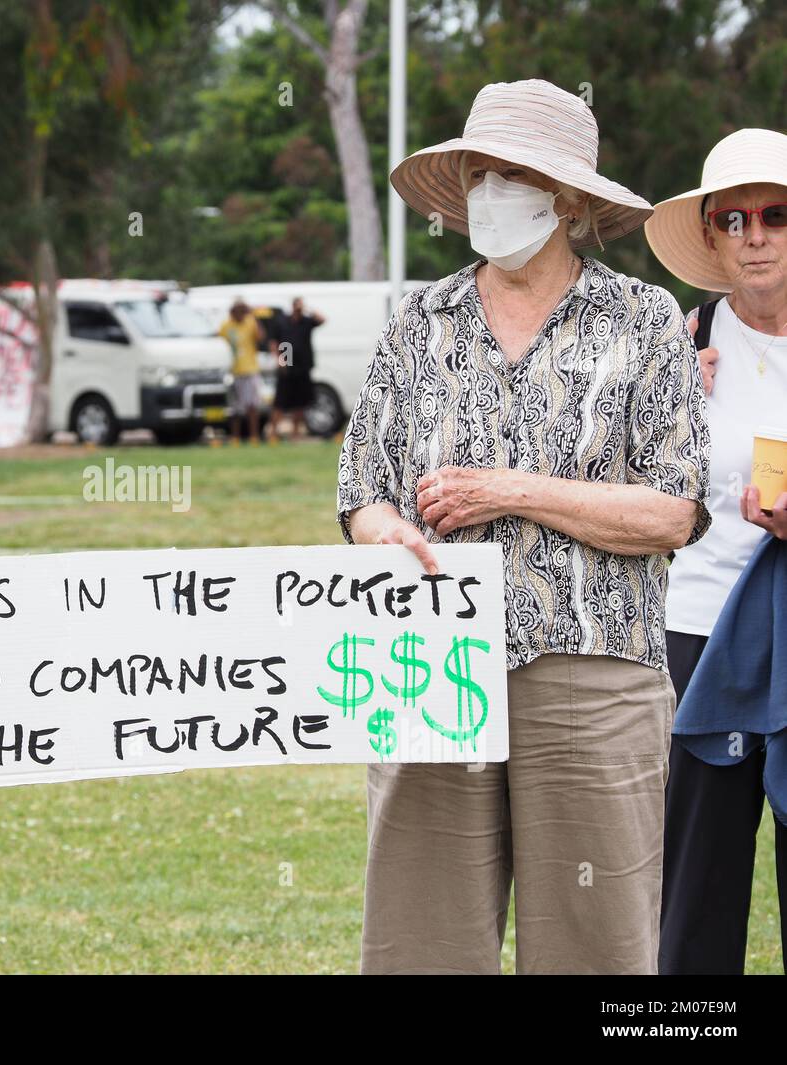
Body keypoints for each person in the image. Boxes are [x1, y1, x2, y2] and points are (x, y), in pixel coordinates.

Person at [338, 79, 711, 974]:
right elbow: (362, 486)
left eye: (514, 174)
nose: (490, 194)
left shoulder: (645, 321)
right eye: (479, 173)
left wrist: (514, 490)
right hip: (430, 669)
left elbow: (672, 510)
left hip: (593, 674)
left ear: (572, 200)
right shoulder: (418, 323)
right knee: (418, 943)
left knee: (596, 948)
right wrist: (384, 533)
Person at [644, 127, 787, 974]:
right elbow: (613, 487)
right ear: (709, 237)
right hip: (696, 634)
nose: (755, 234)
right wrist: (669, 416)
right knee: (695, 891)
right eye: (731, 218)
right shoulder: (676, 343)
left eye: (775, 214)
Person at [269, 297, 324, 441]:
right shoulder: (282, 322)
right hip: (287, 367)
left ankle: (295, 433)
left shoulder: (307, 321)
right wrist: (280, 360)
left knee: (300, 403)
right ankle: (273, 433)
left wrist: (307, 309)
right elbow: (274, 342)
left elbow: (322, 319)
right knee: (280, 402)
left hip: (303, 367)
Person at [218, 298, 265, 443]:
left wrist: (253, 316)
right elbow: (219, 342)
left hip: (250, 369)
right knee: (235, 408)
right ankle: (235, 437)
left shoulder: (250, 322)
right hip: (234, 370)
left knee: (252, 406)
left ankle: (254, 436)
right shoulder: (226, 325)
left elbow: (261, 337)